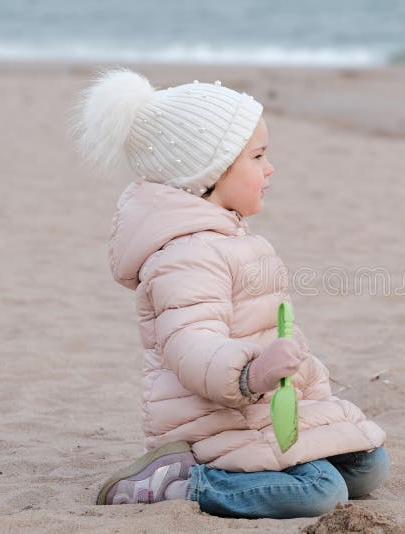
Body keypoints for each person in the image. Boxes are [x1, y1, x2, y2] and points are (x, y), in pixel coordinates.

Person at [71, 68, 388, 519]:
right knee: (321, 493)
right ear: (209, 172)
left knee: (368, 465)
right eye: (257, 157)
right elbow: (190, 344)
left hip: (256, 413)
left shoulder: (228, 238)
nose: (270, 168)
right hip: (213, 425)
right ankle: (181, 481)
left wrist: (302, 376)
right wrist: (253, 373)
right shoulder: (186, 255)